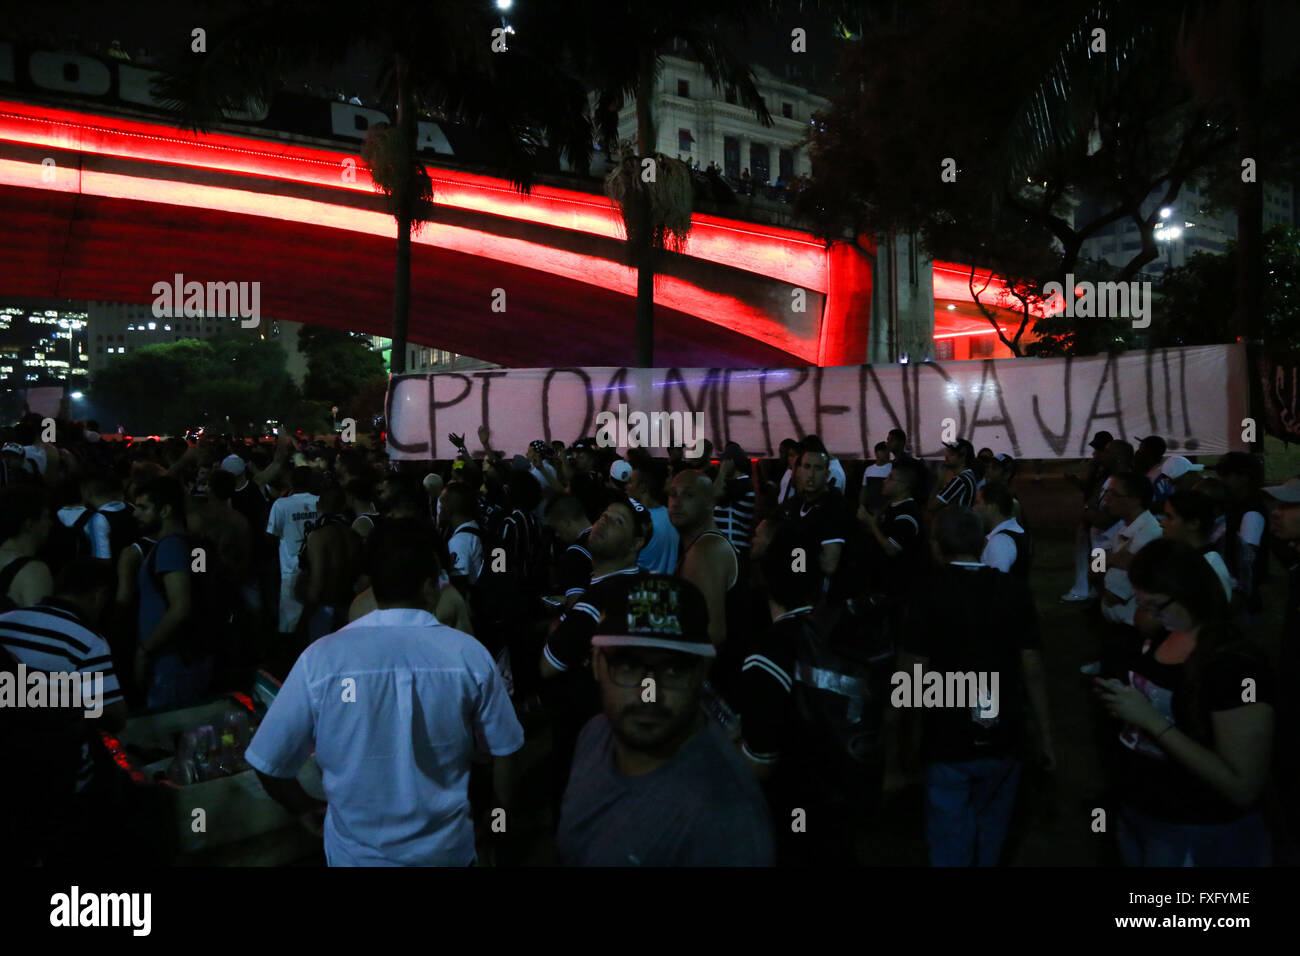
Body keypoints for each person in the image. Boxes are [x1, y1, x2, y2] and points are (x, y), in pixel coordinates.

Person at [246, 520, 523, 866]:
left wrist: (304, 807)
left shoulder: (323, 657)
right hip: (446, 853)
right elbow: (505, 750)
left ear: (374, 588)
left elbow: (267, 761)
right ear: (429, 587)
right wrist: (498, 821)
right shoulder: (467, 655)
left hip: (355, 857)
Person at [556, 574, 774, 866]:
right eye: (628, 665)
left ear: (701, 673)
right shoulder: (595, 734)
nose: (649, 695)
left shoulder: (728, 823)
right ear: (596, 663)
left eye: (673, 669)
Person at [1094, 538, 1274, 866]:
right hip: (1140, 813)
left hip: (1196, 830)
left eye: (1156, 605)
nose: (1147, 614)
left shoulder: (1236, 667)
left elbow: (1242, 785)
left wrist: (1150, 720)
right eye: (1141, 602)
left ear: (1190, 592)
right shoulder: (1165, 634)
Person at [901, 506, 1054, 867]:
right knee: (993, 830)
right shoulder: (1014, 591)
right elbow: (1032, 666)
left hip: (946, 737)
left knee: (948, 834)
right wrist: (1044, 735)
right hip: (1003, 733)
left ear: (936, 546)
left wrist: (907, 735)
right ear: (983, 541)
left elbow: (914, 672)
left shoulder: (925, 594)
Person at [134, 476, 210, 708]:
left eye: (143, 508)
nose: (136, 514)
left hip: (172, 661)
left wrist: (144, 650)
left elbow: (180, 607)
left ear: (165, 510)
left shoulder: (170, 547)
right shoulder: (195, 543)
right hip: (195, 653)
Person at [776, 449, 849, 601]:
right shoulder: (796, 504)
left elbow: (830, 564)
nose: (811, 474)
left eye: (818, 468)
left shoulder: (833, 506)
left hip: (823, 602)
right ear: (798, 471)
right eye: (807, 467)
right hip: (799, 594)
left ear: (827, 475)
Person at [1097, 472, 1164, 627]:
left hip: (1129, 627)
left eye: (1113, 494)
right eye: (1107, 492)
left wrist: (1096, 574)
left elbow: (1112, 595)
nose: (1106, 499)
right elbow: (1097, 555)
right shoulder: (1124, 526)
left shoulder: (1146, 536)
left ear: (1135, 499)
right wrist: (1108, 561)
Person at [297, 487, 361, 644]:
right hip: (349, 606)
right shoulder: (352, 535)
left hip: (325, 608)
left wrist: (304, 618)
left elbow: (317, 584)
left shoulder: (318, 536)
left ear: (318, 505)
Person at [267, 466, 320, 636]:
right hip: (317, 566)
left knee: (290, 624)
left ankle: (290, 657)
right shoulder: (321, 501)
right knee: (316, 622)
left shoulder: (281, 504)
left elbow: (271, 535)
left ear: (291, 482)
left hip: (291, 567)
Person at [1161, 490, 1233, 601]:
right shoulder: (1179, 556)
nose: (1162, 523)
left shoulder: (1210, 567)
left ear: (1194, 524)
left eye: (1169, 517)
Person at [0, 485, 55, 610]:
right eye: (45, 517)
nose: (50, 523)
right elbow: (38, 624)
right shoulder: (33, 571)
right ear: (29, 524)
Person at [627, 460, 676, 574]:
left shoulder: (638, 522)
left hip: (640, 587)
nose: (626, 486)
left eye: (630, 482)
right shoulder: (672, 516)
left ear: (643, 487)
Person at [545, 494, 594, 603]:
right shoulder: (610, 540)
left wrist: (565, 601)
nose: (557, 535)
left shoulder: (575, 553)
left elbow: (576, 606)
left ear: (566, 523)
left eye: (556, 528)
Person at [977, 483, 1030, 578]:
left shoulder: (1000, 542)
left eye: (977, 503)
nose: (974, 508)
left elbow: (997, 584)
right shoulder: (1012, 532)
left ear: (992, 506)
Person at [930, 439, 977, 511]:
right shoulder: (969, 475)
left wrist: (940, 480)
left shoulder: (960, 480)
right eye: (948, 451)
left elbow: (931, 506)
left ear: (963, 457)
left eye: (952, 453)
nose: (946, 456)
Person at [859, 441, 892, 516]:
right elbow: (864, 489)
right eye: (883, 451)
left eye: (888, 451)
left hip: (886, 512)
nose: (887, 454)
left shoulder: (892, 469)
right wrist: (861, 506)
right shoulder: (869, 469)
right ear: (876, 453)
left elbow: (892, 493)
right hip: (870, 510)